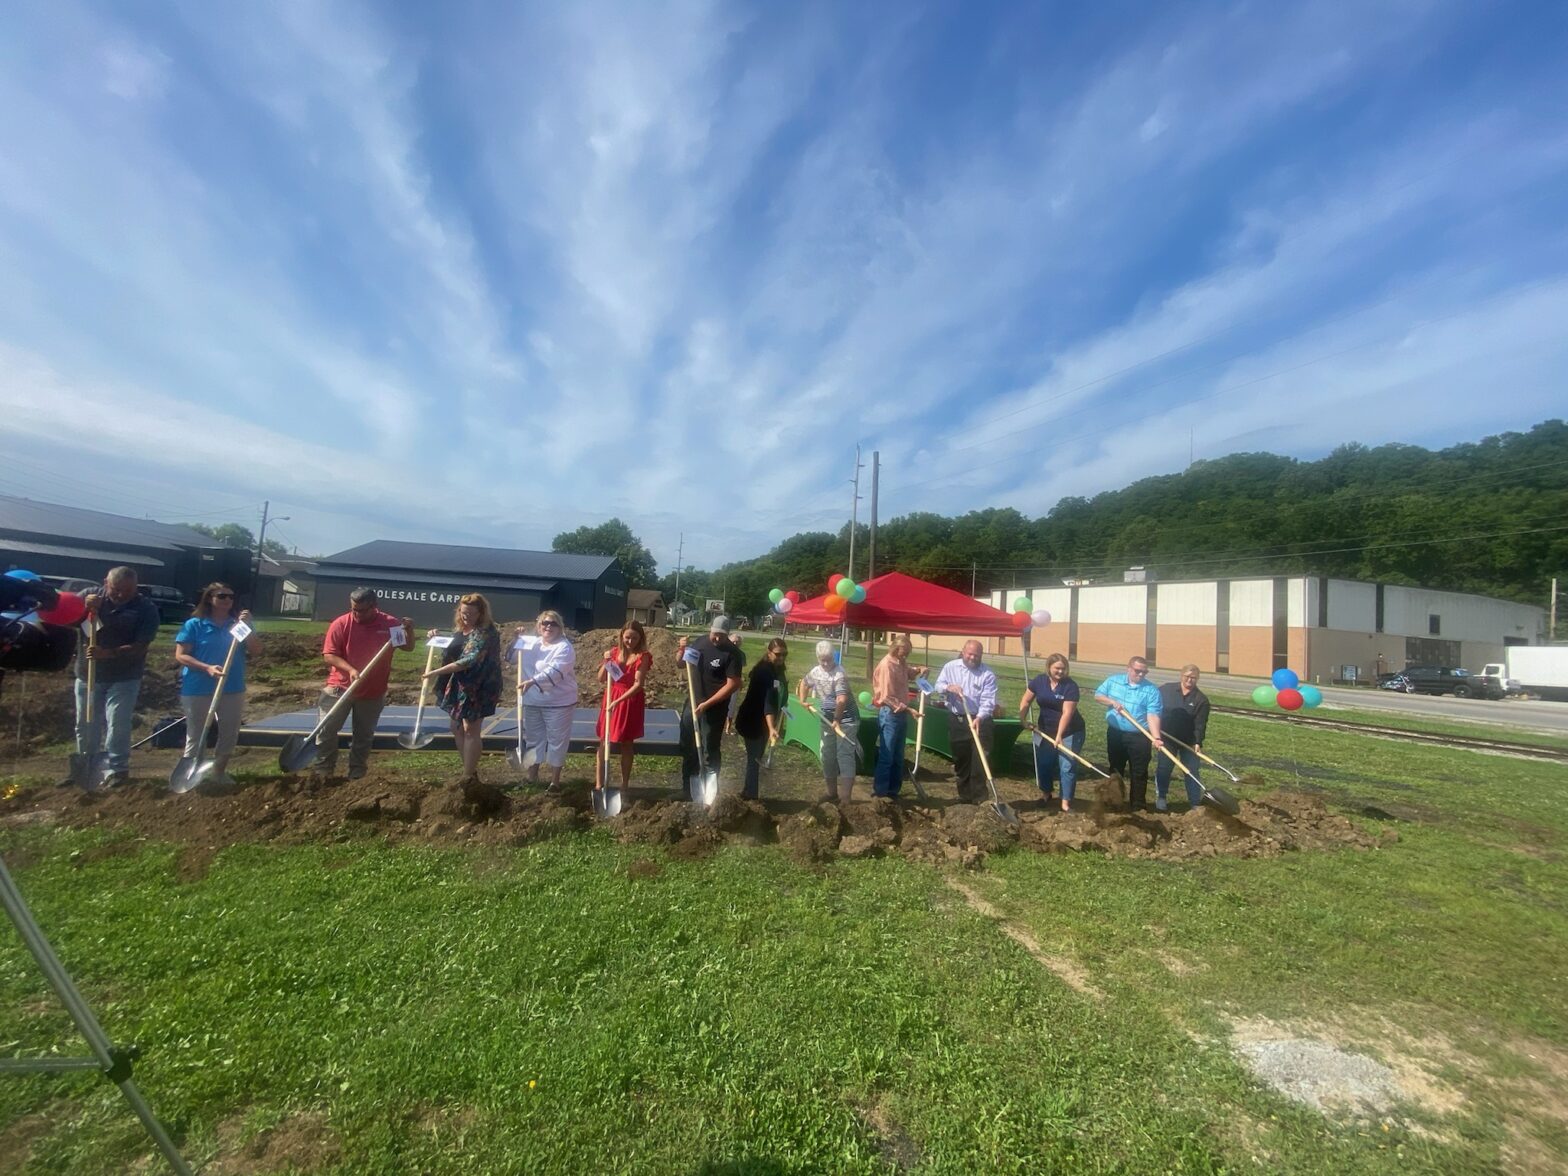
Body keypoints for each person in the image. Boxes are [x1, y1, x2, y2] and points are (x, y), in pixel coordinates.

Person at [67, 566, 161, 787]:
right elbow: (65, 620)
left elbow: (141, 646)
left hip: (124, 676)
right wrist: (84, 609)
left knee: (117, 722)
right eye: (116, 589)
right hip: (87, 674)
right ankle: (87, 766)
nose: (121, 594)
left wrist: (109, 653)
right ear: (105, 583)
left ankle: (117, 770)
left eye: (128, 590)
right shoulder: (89, 597)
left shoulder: (145, 608)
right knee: (85, 723)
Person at [315, 588, 415, 780]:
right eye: (354, 609)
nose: (357, 614)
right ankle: (323, 772)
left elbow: (408, 648)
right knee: (325, 731)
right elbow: (329, 655)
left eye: (362, 610)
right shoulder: (341, 624)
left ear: (374, 607)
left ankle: (357, 774)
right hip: (339, 688)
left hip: (372, 692)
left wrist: (409, 630)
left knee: (363, 737)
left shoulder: (390, 625)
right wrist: (351, 670)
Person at [173, 582, 259, 780]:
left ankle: (218, 772)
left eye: (230, 596)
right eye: (222, 596)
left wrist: (250, 627)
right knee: (196, 732)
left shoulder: (237, 626)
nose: (227, 600)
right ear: (210, 599)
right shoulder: (195, 625)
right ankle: (191, 773)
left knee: (229, 731)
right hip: (198, 687)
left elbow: (256, 651)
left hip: (232, 687)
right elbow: (181, 655)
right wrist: (207, 668)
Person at [423, 594, 502, 784]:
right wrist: (436, 637)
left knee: (470, 729)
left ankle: (467, 776)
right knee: (455, 727)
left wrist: (436, 672)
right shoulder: (461, 629)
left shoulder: (485, 633)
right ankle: (470, 770)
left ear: (480, 613)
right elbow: (453, 649)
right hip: (460, 685)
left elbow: (468, 660)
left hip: (479, 686)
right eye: (462, 612)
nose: (465, 616)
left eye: (470, 613)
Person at [676, 616, 742, 799]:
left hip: (714, 709)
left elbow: (733, 684)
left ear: (727, 635)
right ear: (710, 630)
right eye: (715, 634)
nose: (717, 639)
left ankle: (708, 793)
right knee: (689, 745)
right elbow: (681, 664)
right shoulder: (699, 642)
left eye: (722, 635)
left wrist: (706, 704)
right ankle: (687, 789)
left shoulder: (733, 654)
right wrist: (682, 648)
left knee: (709, 748)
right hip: (692, 703)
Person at [512, 609, 578, 791]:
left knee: (557, 741)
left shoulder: (565, 647)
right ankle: (532, 777)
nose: (548, 627)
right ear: (538, 626)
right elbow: (510, 658)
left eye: (553, 624)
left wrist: (533, 681)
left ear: (560, 627)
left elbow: (555, 671)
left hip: (559, 702)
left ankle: (555, 781)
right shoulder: (529, 643)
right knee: (533, 739)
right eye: (544, 623)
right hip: (532, 701)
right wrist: (516, 640)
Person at [1093, 656, 1164, 811]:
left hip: (1140, 736)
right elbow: (1098, 695)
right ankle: (1114, 803)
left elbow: (1152, 715)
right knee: (1116, 769)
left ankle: (1138, 806)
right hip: (1116, 734)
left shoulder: (1151, 690)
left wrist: (1156, 737)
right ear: (1129, 668)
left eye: (1144, 672)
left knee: (1139, 771)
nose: (1140, 675)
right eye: (1137, 671)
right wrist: (1112, 702)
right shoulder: (1114, 681)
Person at [934, 640, 1000, 803]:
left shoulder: (987, 674)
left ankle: (980, 799)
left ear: (981, 656)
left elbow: (988, 700)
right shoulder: (951, 667)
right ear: (963, 652)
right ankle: (964, 797)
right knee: (961, 761)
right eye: (970, 654)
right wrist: (948, 687)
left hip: (980, 721)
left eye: (976, 655)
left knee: (980, 762)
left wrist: (980, 717)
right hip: (958, 720)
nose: (972, 657)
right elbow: (938, 685)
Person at [1018, 653, 1084, 812]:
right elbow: (1026, 700)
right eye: (1057, 668)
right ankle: (1046, 793)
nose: (1060, 672)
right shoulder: (1039, 681)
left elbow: (1067, 713)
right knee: (1044, 763)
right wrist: (1022, 719)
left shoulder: (1070, 686)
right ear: (1049, 667)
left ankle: (1065, 802)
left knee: (1067, 765)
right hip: (1045, 730)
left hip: (1070, 731)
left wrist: (1059, 735)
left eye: (1063, 668)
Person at [800, 639, 859, 803]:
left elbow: (841, 699)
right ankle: (831, 792)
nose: (826, 664)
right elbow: (804, 683)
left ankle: (845, 799)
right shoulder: (815, 672)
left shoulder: (839, 674)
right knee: (827, 754)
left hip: (846, 719)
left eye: (829, 659)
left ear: (834, 657)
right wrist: (802, 700)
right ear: (818, 658)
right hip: (827, 717)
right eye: (822, 660)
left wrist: (837, 720)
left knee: (844, 755)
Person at [595, 621, 652, 791]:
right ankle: (599, 784)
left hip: (629, 701)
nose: (630, 641)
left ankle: (624, 785)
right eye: (627, 637)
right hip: (611, 696)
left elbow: (638, 685)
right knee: (604, 741)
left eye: (635, 638)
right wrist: (606, 662)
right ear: (622, 636)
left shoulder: (643, 656)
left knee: (627, 743)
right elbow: (601, 679)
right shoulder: (613, 653)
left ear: (640, 638)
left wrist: (618, 701)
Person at [871, 634, 925, 798]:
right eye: (904, 652)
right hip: (890, 713)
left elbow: (907, 673)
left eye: (908, 653)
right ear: (895, 648)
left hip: (900, 713)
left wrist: (917, 670)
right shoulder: (887, 665)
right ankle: (881, 792)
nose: (905, 656)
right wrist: (909, 710)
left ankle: (893, 791)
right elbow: (887, 697)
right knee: (887, 755)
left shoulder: (900, 662)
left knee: (898, 755)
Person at [734, 637, 788, 800]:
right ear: (769, 653)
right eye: (778, 654)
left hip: (765, 722)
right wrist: (772, 728)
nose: (781, 658)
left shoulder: (777, 670)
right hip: (753, 721)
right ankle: (751, 795)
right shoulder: (765, 672)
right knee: (755, 759)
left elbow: (779, 697)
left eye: (785, 655)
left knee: (756, 757)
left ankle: (748, 791)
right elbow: (768, 702)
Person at [1155, 664, 1210, 811]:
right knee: (1164, 768)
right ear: (1181, 675)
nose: (1190, 680)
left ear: (1197, 679)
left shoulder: (1201, 699)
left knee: (1192, 770)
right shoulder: (1166, 690)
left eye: (1193, 678)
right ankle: (1161, 797)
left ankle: (1194, 802)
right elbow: (1154, 708)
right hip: (1166, 738)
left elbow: (1200, 724)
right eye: (1187, 677)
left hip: (1189, 742)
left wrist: (1198, 742)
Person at [725, 633, 748, 735]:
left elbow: (741, 670)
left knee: (732, 705)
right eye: (733, 641)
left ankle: (728, 727)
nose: (735, 643)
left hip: (734, 682)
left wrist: (741, 681)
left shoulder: (741, 655)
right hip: (722, 681)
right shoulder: (724, 652)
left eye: (737, 642)